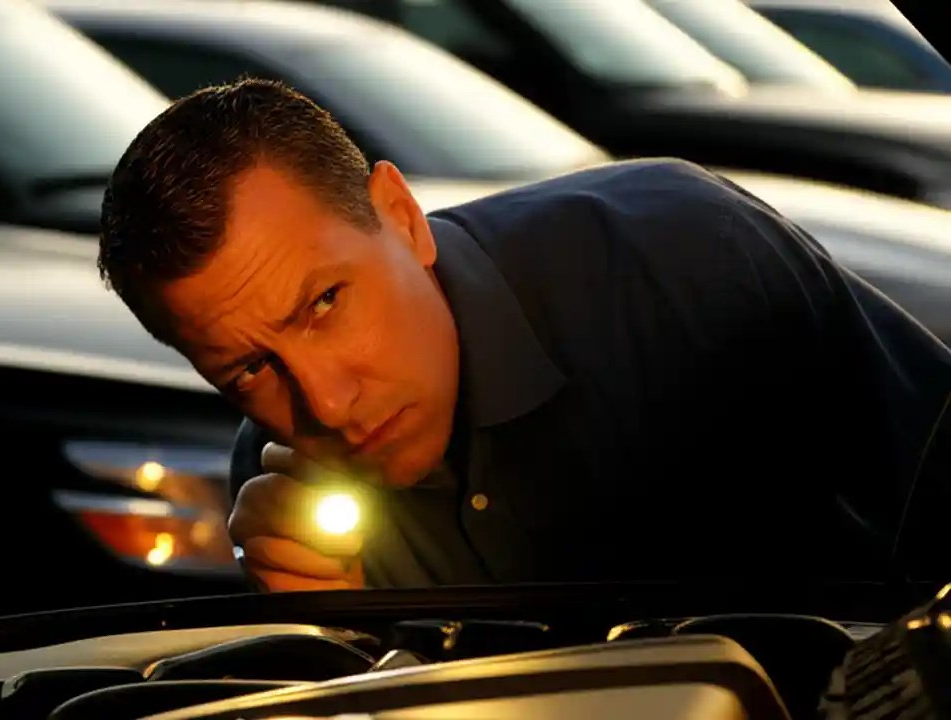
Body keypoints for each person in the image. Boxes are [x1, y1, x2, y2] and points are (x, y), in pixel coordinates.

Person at [95, 78, 951, 592]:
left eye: (323, 303)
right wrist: (345, 658)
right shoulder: (285, 502)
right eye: (247, 369)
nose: (323, 402)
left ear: (401, 218)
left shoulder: (684, 263)